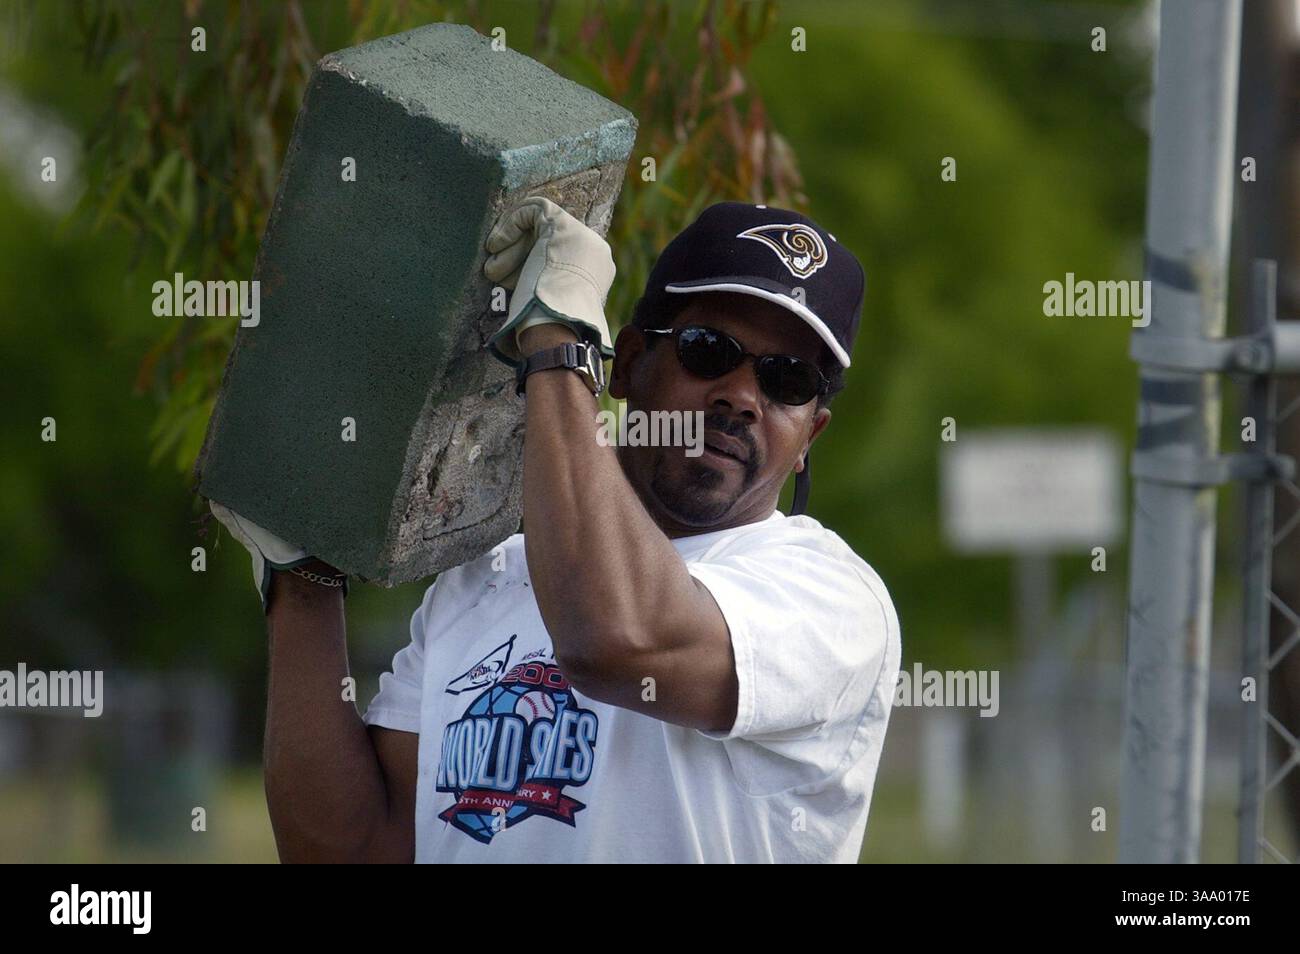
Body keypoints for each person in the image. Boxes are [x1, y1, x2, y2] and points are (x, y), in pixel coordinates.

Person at [212, 198, 901, 863]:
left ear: (810, 433)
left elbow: (614, 638)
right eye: (708, 349)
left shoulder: (832, 601)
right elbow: (354, 854)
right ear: (628, 363)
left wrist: (557, 343)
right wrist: (301, 583)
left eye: (787, 378)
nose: (742, 398)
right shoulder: (486, 580)